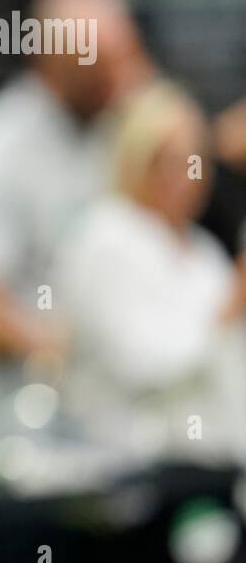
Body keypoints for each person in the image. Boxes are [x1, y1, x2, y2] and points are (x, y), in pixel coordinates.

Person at [0, 0, 151, 489]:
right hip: (21, 446)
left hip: (113, 442)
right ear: (55, 60)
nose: (119, 79)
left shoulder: (111, 134)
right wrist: (80, 355)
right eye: (103, 63)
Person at [52, 82, 246, 471]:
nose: (186, 177)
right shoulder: (106, 235)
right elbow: (141, 361)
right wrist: (229, 310)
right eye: (168, 161)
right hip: (136, 471)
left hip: (216, 463)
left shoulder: (203, 252)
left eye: (195, 160)